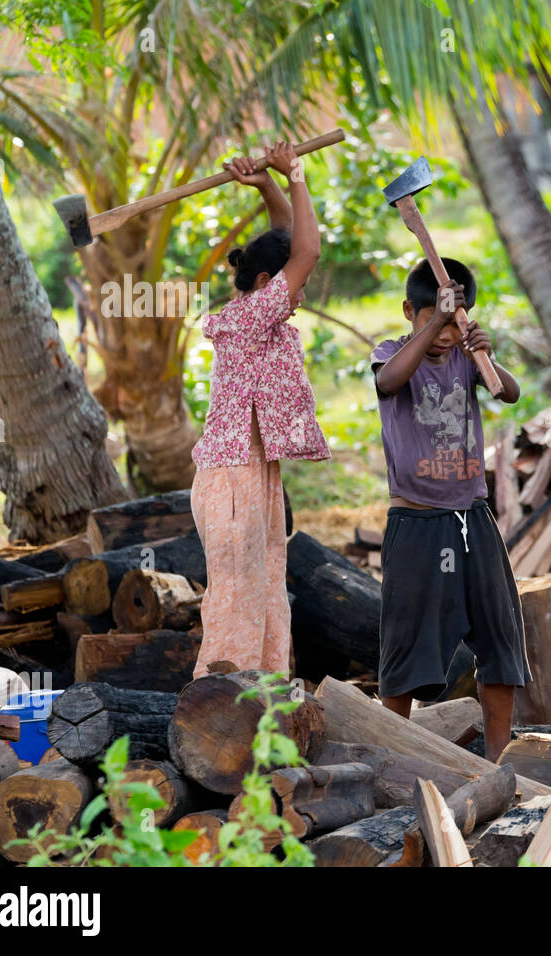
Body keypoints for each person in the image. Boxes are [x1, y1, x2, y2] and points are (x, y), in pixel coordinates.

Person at [371, 257, 527, 762]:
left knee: (499, 634)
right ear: (409, 312)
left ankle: (501, 756)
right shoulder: (393, 353)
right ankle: (393, 754)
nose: (442, 336)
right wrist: (437, 321)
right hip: (416, 523)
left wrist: (486, 354)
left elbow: (509, 393)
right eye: (429, 321)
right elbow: (387, 382)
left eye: (455, 323)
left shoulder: (465, 357)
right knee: (406, 642)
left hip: (472, 518)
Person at [189, 142, 330, 678]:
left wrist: (268, 186)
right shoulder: (250, 318)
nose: (301, 296)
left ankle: (266, 707)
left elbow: (289, 245)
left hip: (255, 474)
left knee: (268, 591)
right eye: (294, 287)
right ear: (270, 285)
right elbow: (306, 251)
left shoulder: (259, 309)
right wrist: (293, 172)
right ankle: (222, 708)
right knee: (235, 602)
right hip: (230, 481)